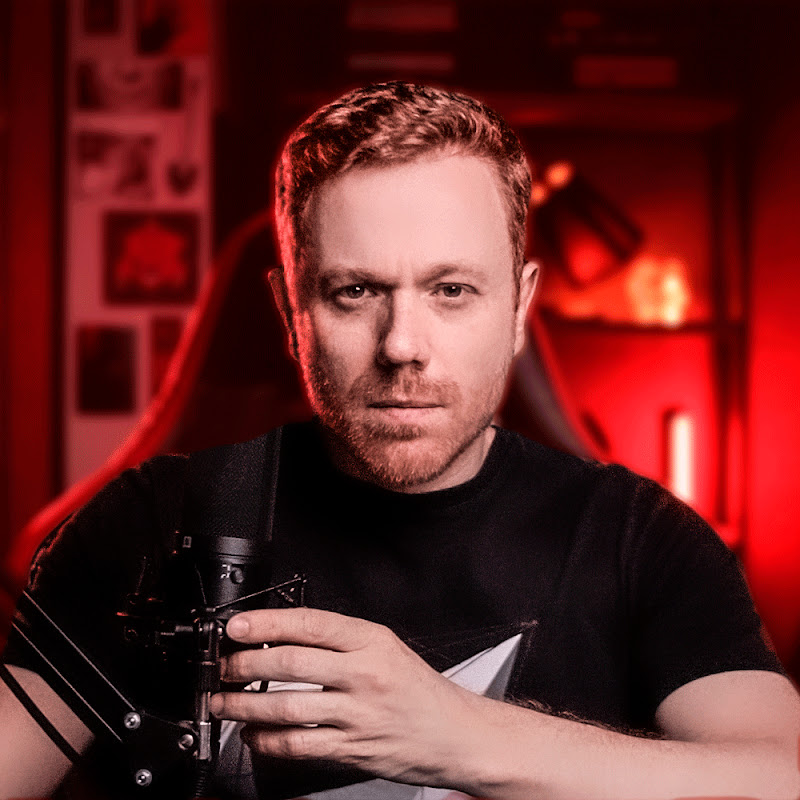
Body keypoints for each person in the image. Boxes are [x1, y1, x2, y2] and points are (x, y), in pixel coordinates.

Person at [1, 81, 799, 800]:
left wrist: (462, 737)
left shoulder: (637, 538)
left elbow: (782, 774)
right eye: (355, 291)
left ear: (519, 306)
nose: (402, 345)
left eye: (451, 290)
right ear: (290, 312)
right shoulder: (152, 521)